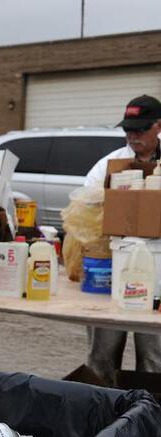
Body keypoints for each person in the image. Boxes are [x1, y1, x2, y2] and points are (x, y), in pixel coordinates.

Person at [82, 95, 161, 383]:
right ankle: (102, 418)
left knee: (154, 358)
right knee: (100, 358)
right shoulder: (111, 164)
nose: (133, 136)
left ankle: (151, 420)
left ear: (158, 126)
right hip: (113, 268)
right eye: (129, 129)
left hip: (159, 273)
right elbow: (84, 208)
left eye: (141, 129)